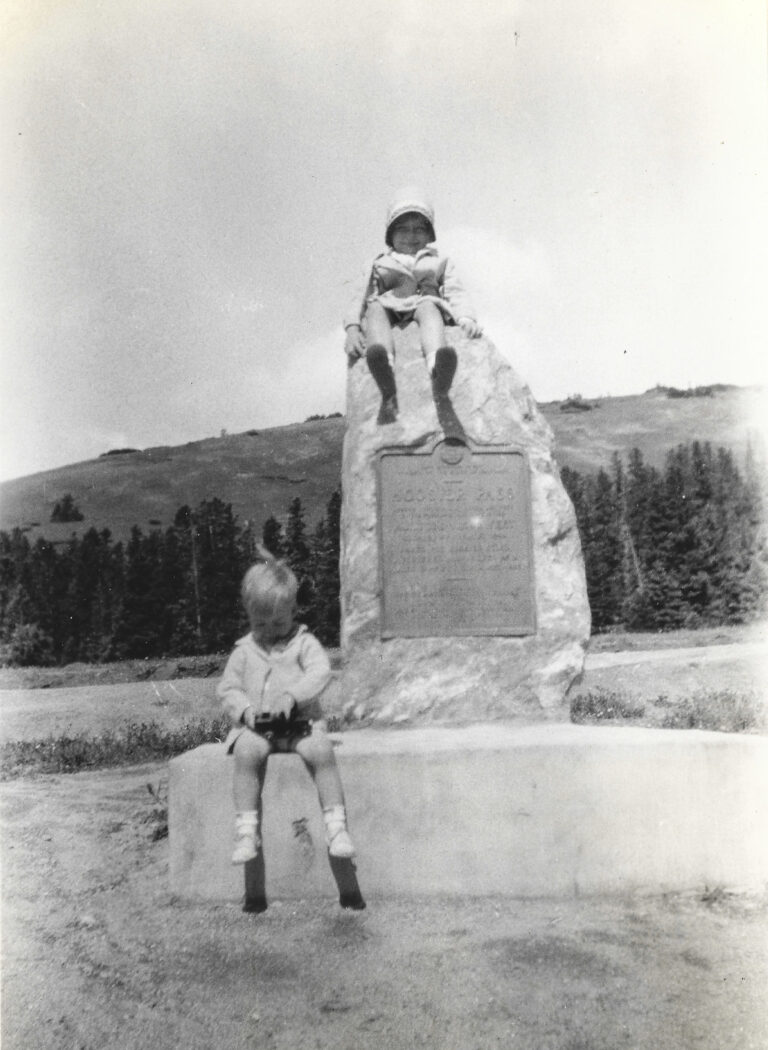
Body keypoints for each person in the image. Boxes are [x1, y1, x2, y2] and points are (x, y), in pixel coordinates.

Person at [217, 547, 355, 866]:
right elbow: (228, 688)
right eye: (259, 624)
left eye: (277, 623)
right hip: (258, 729)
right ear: (249, 615)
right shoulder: (244, 651)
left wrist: (293, 695)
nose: (268, 632)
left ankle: (337, 828)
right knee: (246, 754)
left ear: (293, 610)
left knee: (321, 752)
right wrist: (245, 711)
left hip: (300, 725)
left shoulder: (305, 644)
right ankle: (247, 832)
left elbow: (321, 672)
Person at [343, 187, 482, 424]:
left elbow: (455, 290)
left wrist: (466, 318)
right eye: (403, 229)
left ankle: (437, 366)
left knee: (430, 309)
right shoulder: (379, 263)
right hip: (389, 302)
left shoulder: (439, 261)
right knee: (375, 308)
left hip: (424, 300)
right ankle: (383, 365)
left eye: (419, 229)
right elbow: (359, 295)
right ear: (390, 235)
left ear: (430, 234)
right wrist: (353, 328)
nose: (411, 235)